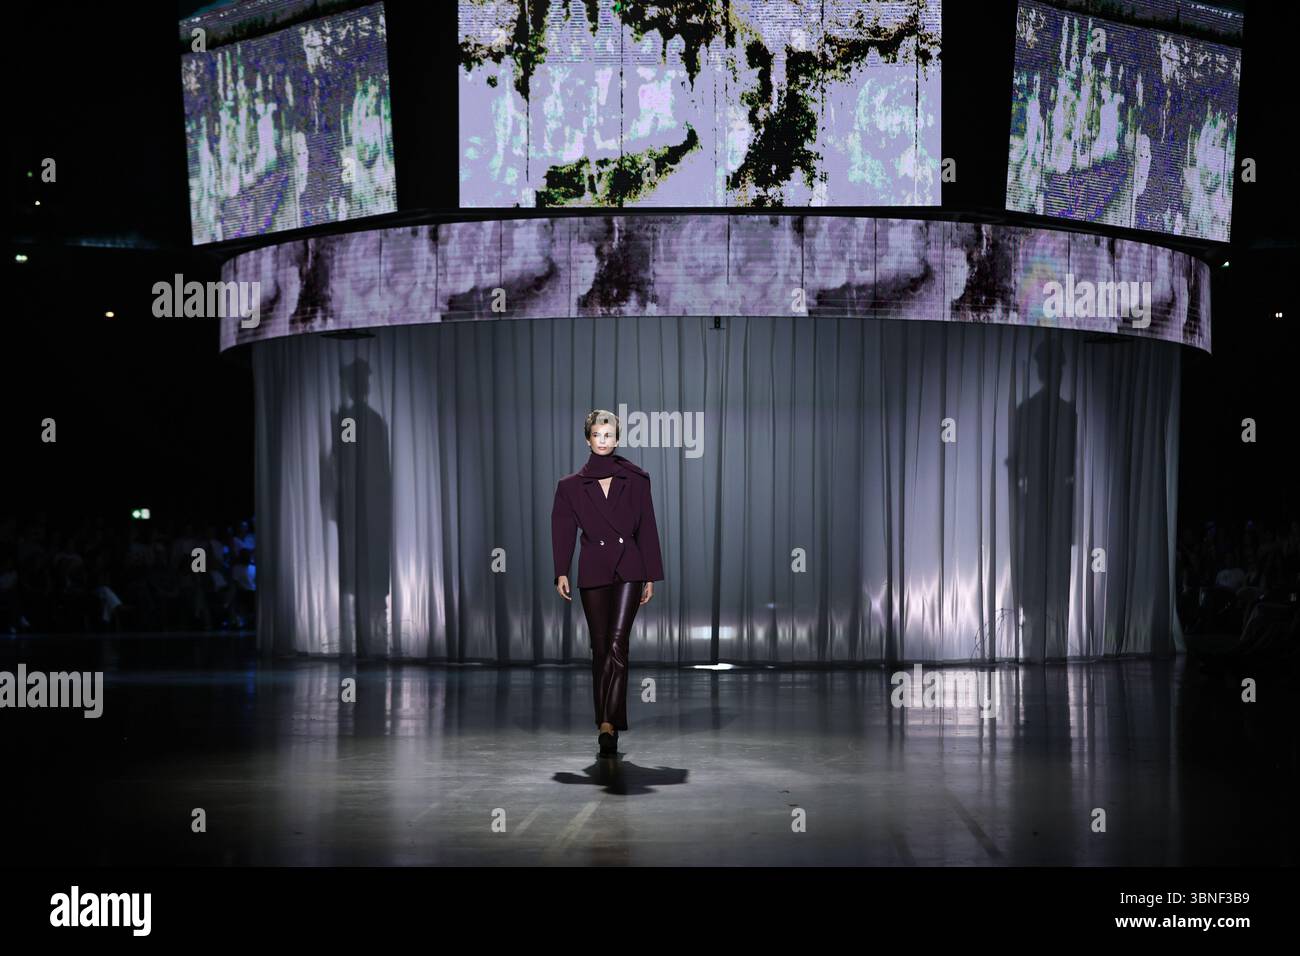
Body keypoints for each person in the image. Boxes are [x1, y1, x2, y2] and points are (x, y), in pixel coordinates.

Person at [552, 409, 665, 758]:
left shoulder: (637, 479)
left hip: (629, 566)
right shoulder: (570, 486)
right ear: (588, 439)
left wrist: (650, 574)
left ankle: (608, 725)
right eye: (597, 435)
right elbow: (562, 529)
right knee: (600, 648)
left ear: (617, 439)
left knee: (618, 643)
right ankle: (606, 717)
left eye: (608, 435)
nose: (603, 441)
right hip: (593, 569)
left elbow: (647, 525)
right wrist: (561, 570)